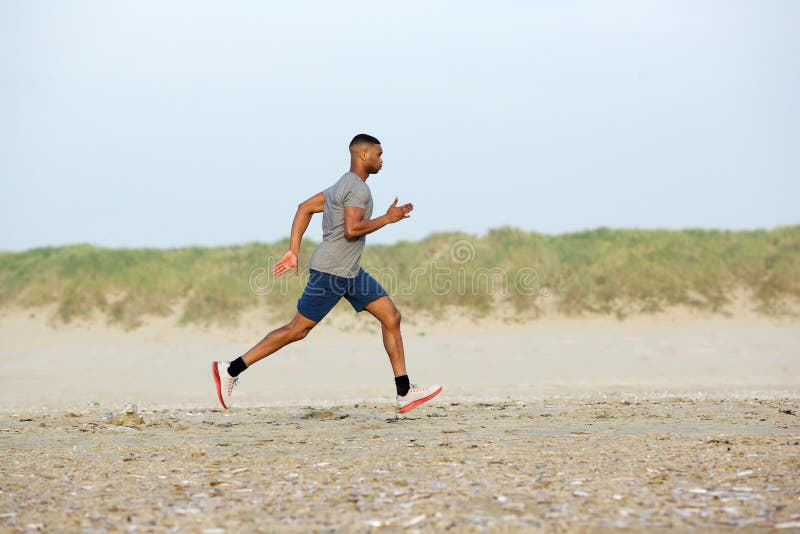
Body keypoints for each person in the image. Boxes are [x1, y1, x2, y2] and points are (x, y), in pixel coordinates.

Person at [212, 134, 442, 413]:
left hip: (351, 271)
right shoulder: (357, 189)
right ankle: (231, 369)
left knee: (391, 316)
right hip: (332, 272)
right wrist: (387, 218)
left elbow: (304, 207)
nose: (382, 160)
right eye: (379, 155)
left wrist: (293, 251)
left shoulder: (340, 185)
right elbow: (352, 229)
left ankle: (404, 391)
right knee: (297, 330)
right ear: (364, 155)